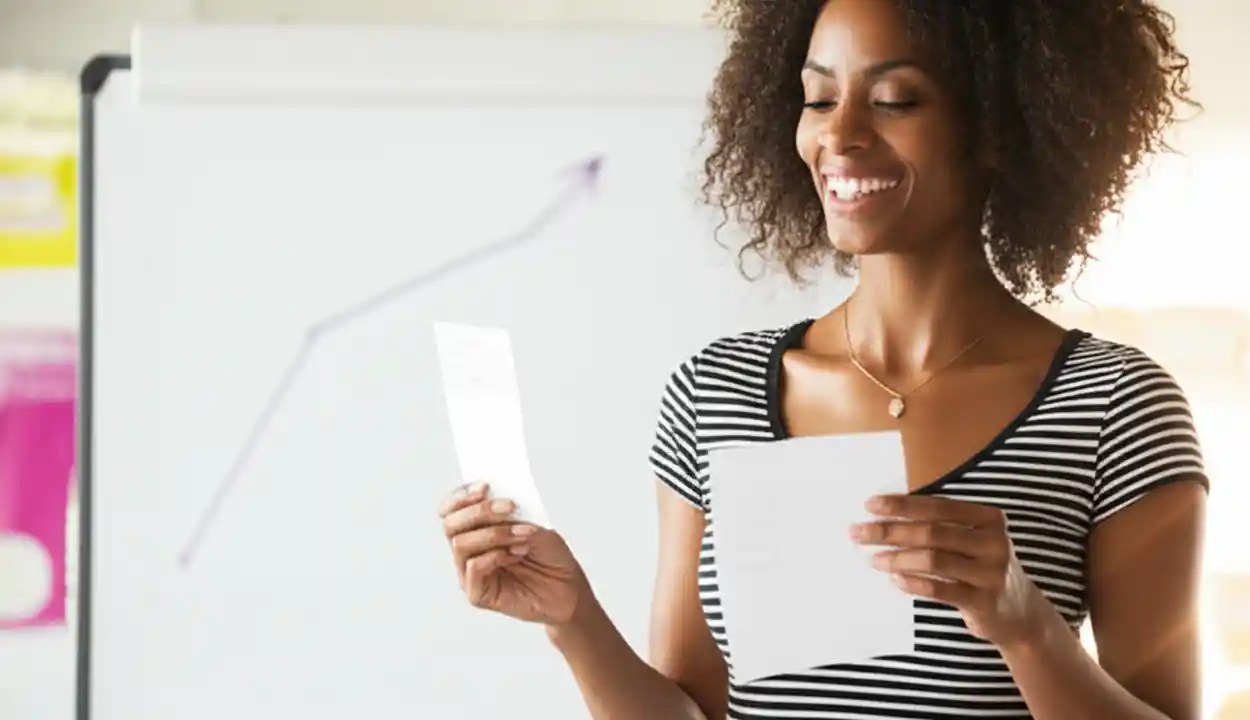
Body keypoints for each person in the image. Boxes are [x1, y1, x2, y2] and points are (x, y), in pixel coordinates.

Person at [437, 1, 1209, 718]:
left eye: (895, 99)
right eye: (817, 98)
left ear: (1000, 127)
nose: (838, 137)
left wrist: (1025, 626)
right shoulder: (718, 391)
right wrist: (573, 621)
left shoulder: (1115, 404)